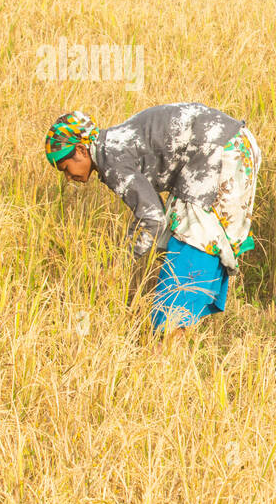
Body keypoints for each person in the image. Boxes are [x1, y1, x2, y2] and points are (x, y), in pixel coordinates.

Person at [45, 104, 260, 333]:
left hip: (219, 152)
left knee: (194, 240)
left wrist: (122, 261)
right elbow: (153, 211)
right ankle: (175, 337)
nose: (68, 177)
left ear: (80, 150)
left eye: (65, 168)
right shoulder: (114, 143)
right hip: (234, 143)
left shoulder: (111, 159)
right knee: (188, 231)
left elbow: (152, 218)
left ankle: (170, 338)